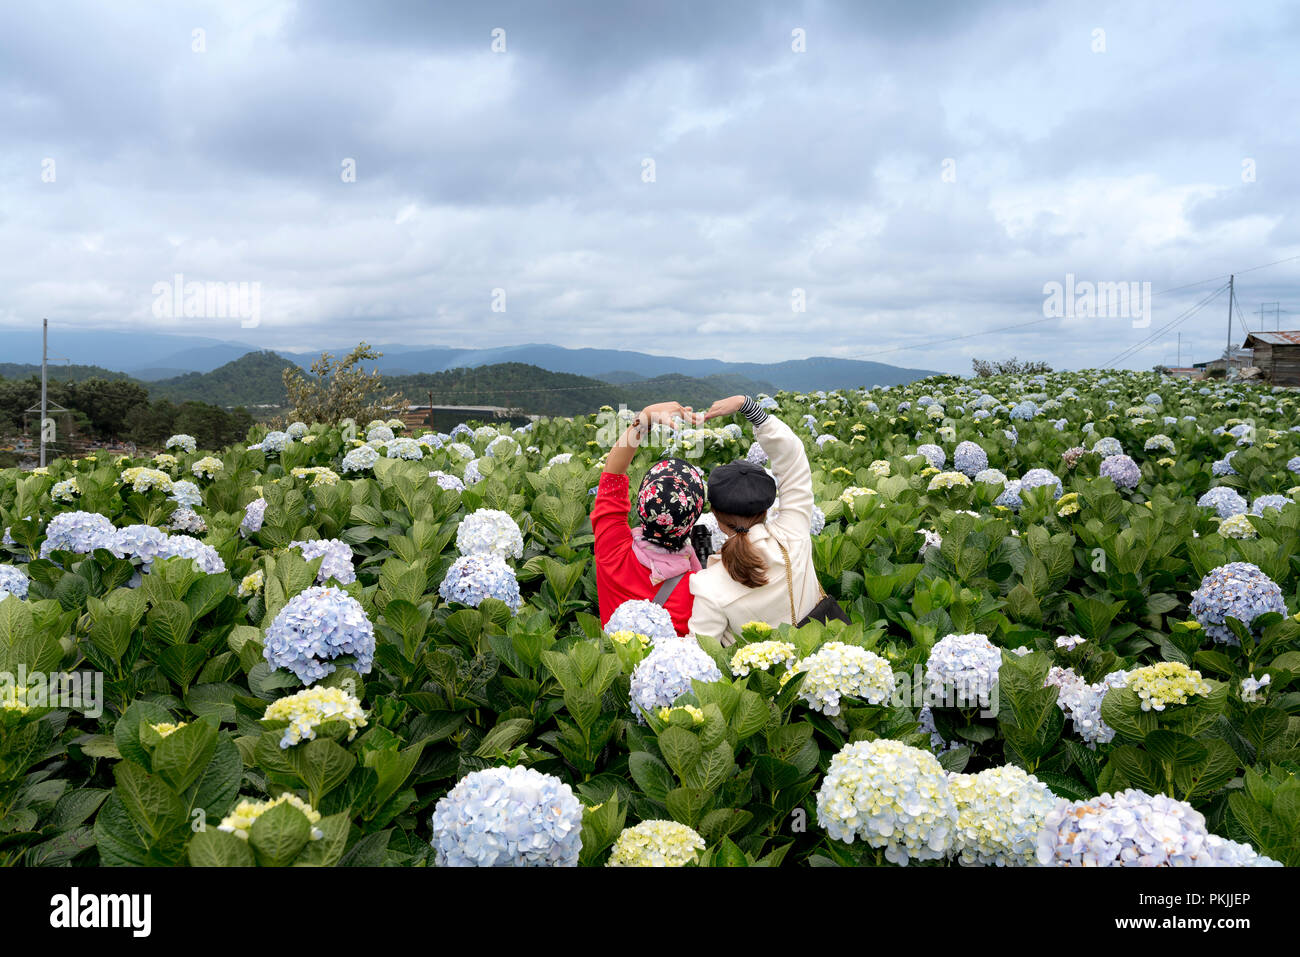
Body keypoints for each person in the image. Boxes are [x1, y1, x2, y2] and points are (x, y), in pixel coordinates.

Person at [687, 395, 819, 645]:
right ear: (767, 508)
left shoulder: (708, 586)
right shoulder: (794, 535)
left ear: (714, 513)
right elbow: (793, 458)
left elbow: (701, 654)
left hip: (761, 684)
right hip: (814, 669)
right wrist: (747, 406)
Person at [591, 402, 707, 636]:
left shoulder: (613, 552)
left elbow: (612, 473)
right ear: (694, 517)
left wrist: (643, 420)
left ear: (640, 503)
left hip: (612, 670)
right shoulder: (700, 589)